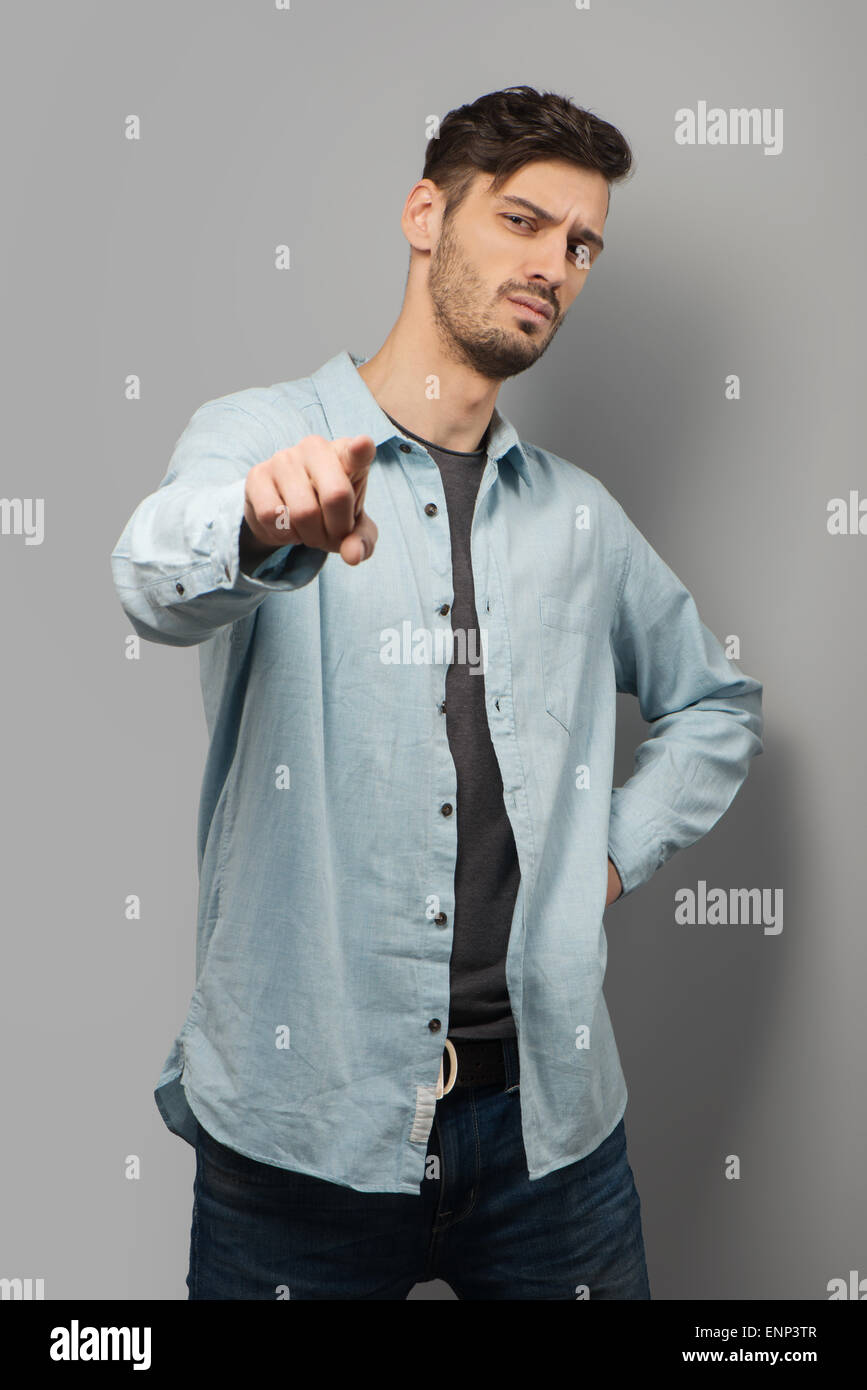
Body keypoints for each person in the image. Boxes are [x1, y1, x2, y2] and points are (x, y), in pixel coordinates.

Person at [110, 85, 763, 1300]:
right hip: (299, 1134)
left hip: (549, 1141)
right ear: (426, 212)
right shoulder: (262, 437)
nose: (554, 266)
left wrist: (605, 857)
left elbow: (715, 705)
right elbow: (152, 578)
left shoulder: (579, 514)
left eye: (581, 246)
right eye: (521, 222)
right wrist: (259, 520)